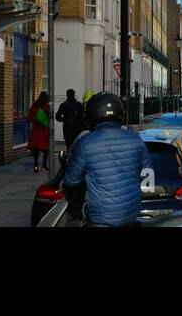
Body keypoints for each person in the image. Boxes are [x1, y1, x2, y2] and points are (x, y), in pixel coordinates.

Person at [62, 92, 154, 227]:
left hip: (102, 219)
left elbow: (71, 182)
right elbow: (148, 180)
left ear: (91, 114)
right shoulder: (136, 140)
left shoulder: (85, 144)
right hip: (131, 216)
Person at [27, 91, 51, 171]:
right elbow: (50, 116)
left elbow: (30, 117)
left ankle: (36, 165)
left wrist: (35, 119)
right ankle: (44, 165)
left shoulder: (34, 106)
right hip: (44, 130)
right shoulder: (47, 106)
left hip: (36, 130)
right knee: (45, 148)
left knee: (36, 148)